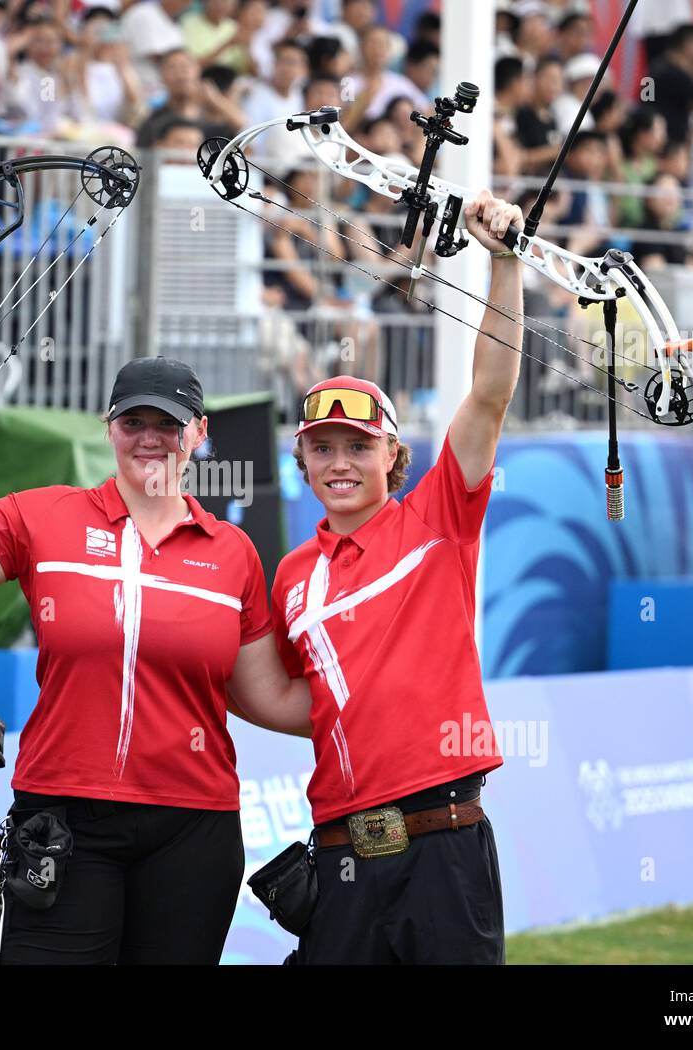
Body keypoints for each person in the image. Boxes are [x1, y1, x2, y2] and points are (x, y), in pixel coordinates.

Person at [0, 351, 311, 963]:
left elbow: (266, 694)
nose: (149, 440)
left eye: (168, 424)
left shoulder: (234, 554)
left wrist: (380, 712)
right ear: (108, 427)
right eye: (132, 422)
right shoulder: (46, 517)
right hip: (64, 821)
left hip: (192, 830)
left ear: (199, 433)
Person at [270, 189, 523, 965]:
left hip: (445, 846)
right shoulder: (290, 576)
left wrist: (504, 262)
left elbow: (488, 392)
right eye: (322, 448)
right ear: (303, 462)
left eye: (357, 445)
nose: (339, 462)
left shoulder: (440, 516)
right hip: (341, 855)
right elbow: (296, 698)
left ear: (393, 456)